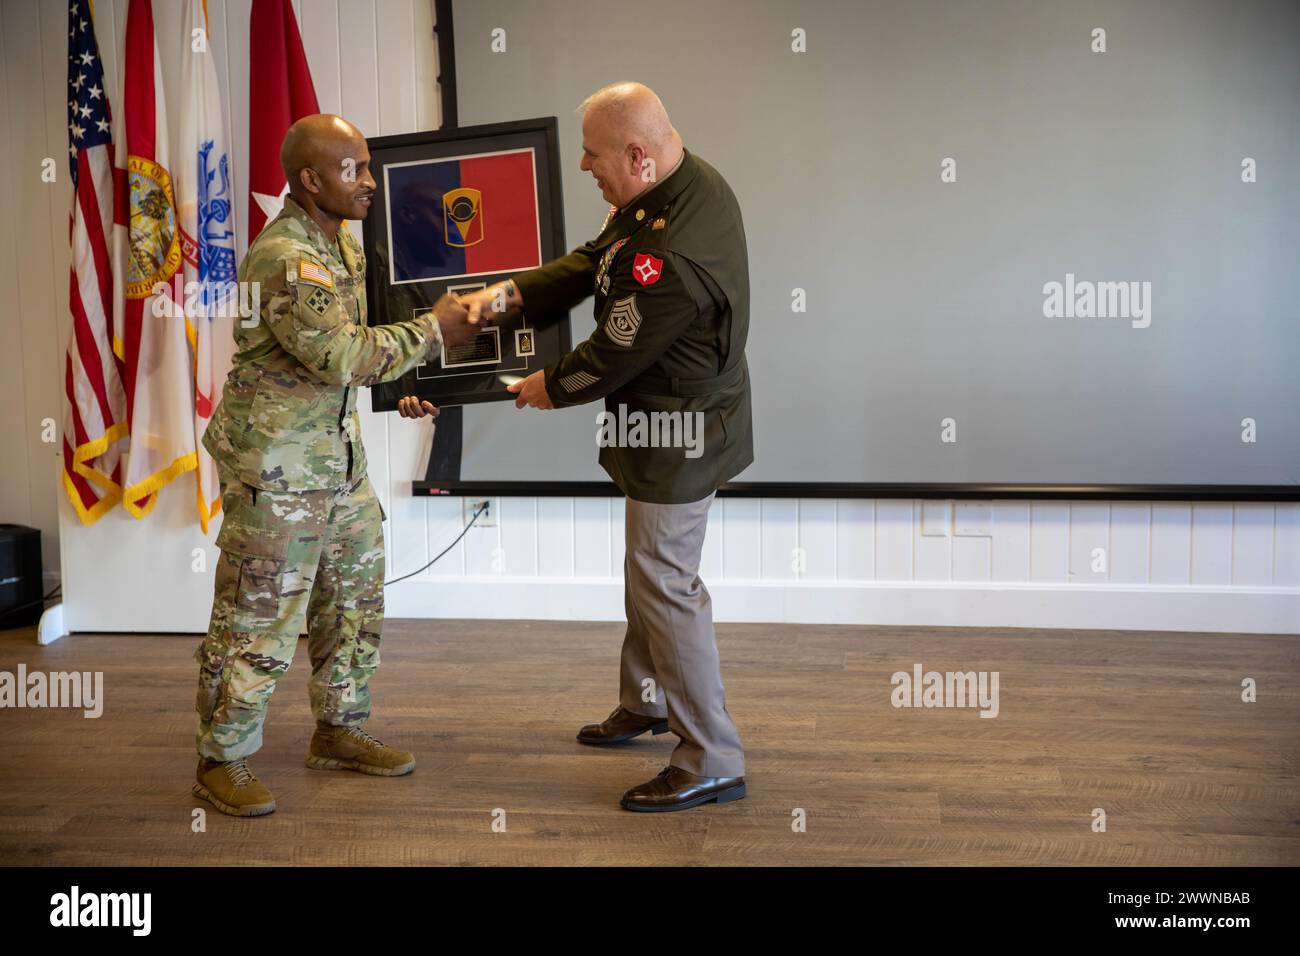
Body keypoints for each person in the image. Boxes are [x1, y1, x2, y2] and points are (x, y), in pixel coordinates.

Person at [401, 82, 753, 812]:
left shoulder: (670, 253)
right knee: (649, 573)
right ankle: (649, 701)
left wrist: (546, 388)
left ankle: (711, 757)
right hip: (662, 421)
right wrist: (494, 302)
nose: (585, 168)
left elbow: (608, 355)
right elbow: (590, 262)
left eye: (593, 157)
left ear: (636, 153)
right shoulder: (671, 184)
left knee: (667, 584)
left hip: (678, 432)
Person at [193, 113, 475, 817]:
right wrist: (432, 333)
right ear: (311, 179)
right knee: (259, 614)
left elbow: (354, 354)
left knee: (354, 596)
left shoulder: (338, 244)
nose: (369, 181)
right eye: (353, 169)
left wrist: (406, 386)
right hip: (278, 470)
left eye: (369, 166)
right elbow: (342, 355)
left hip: (336, 458)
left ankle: (340, 729)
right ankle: (222, 758)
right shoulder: (288, 257)